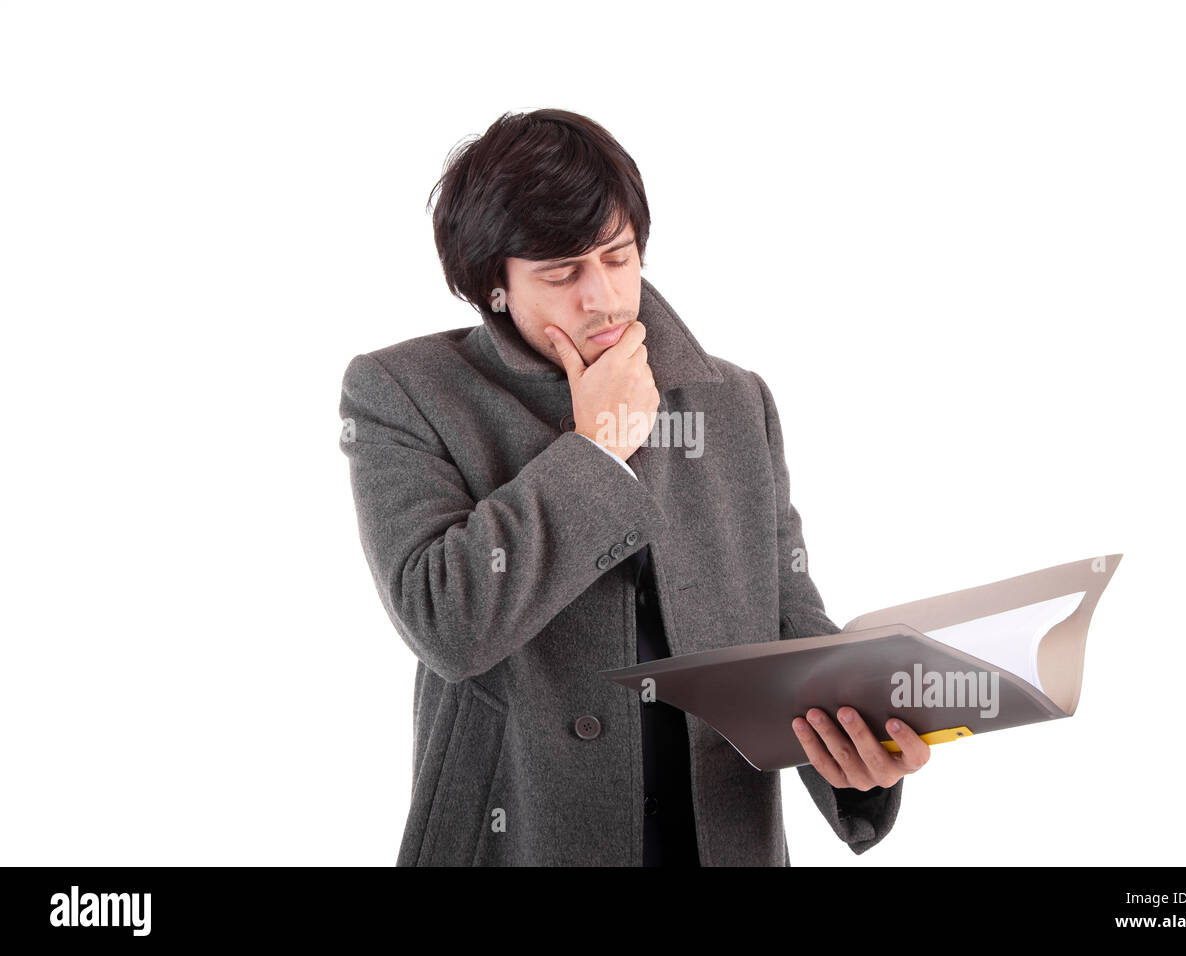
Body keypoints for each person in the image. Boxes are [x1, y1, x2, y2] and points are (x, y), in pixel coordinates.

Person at [338, 108, 929, 866]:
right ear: (494, 284)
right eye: (560, 274)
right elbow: (446, 621)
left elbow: (788, 625)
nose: (603, 298)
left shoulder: (734, 401)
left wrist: (857, 762)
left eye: (618, 258)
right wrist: (598, 449)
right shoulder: (404, 392)